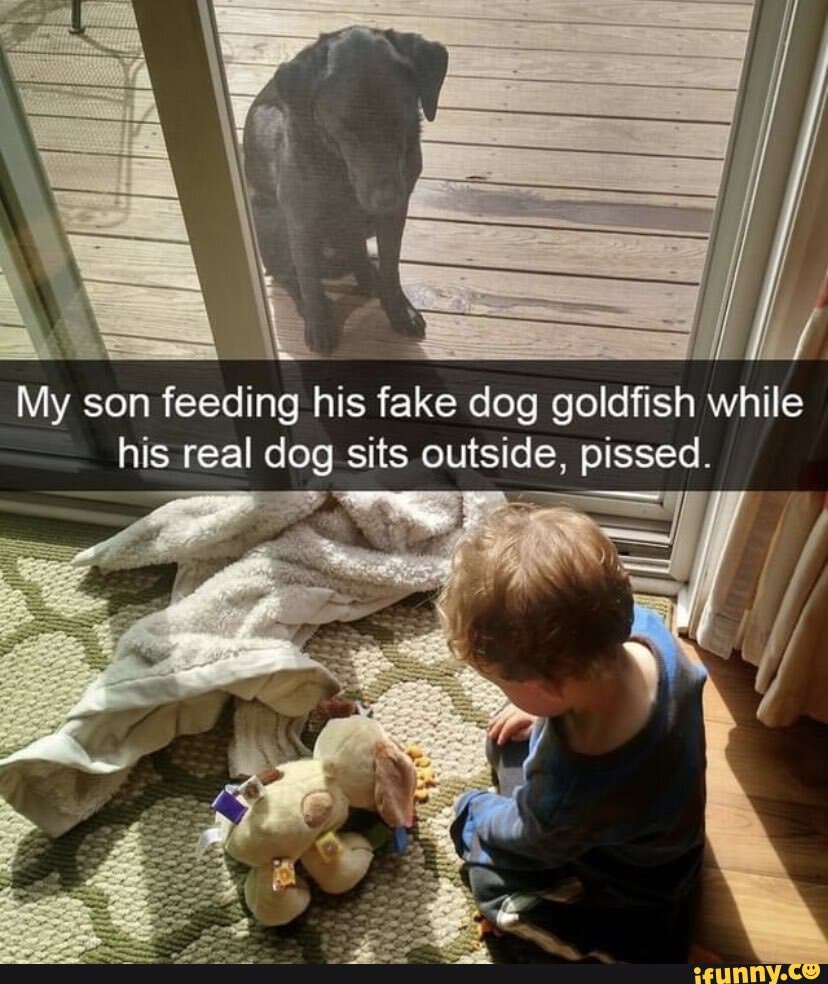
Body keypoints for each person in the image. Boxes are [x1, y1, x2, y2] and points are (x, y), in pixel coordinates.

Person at [437, 503, 707, 963]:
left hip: (632, 889)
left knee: (490, 879)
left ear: (545, 686)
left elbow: (528, 840)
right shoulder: (646, 629)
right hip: (662, 827)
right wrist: (542, 715)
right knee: (504, 741)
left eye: (503, 683)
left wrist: (472, 815)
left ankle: (594, 944)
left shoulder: (575, 789)